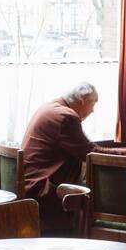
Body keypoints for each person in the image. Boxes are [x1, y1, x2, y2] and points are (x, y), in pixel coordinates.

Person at [20, 83, 99, 228]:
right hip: (42, 191)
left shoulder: (49, 107)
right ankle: (87, 241)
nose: (93, 111)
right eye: (92, 104)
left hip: (27, 184)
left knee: (88, 189)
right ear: (82, 101)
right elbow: (90, 152)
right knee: (99, 196)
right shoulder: (65, 117)